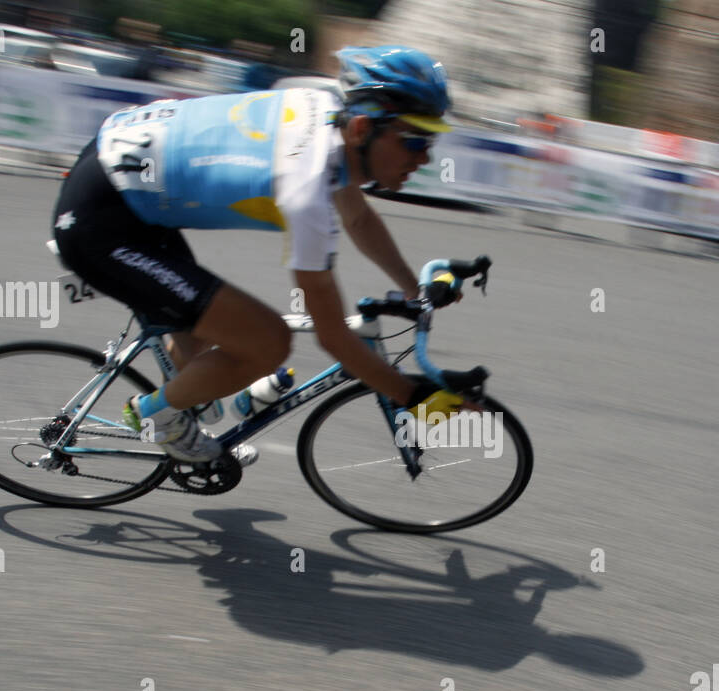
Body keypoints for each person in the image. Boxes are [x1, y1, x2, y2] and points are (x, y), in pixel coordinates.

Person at [50, 45, 468, 463]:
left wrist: (414, 289)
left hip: (126, 181)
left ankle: (182, 405)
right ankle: (154, 418)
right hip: (102, 222)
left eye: (429, 141)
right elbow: (333, 336)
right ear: (361, 129)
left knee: (201, 328)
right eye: (414, 141)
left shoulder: (331, 119)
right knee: (267, 342)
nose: (425, 157)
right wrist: (417, 398)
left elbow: (358, 219)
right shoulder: (305, 188)